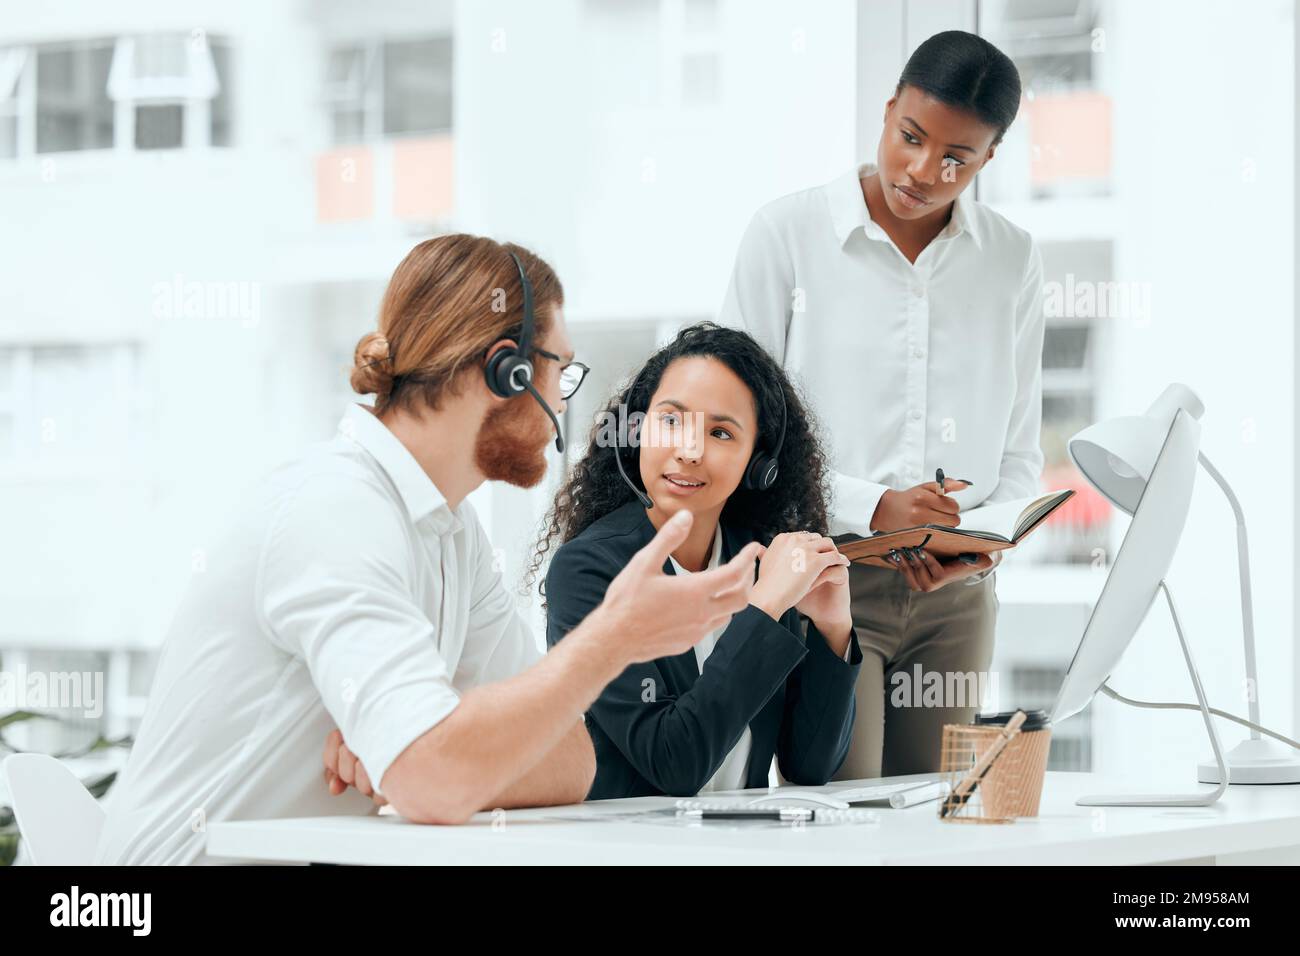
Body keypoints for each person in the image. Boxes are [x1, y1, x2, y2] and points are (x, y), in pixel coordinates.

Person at [95, 234, 761, 864]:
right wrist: (611, 640)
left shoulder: (449, 532)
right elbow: (435, 775)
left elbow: (570, 756)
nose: (563, 401)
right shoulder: (336, 510)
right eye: (562, 370)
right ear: (506, 369)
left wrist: (432, 753)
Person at [719, 31, 1045, 778]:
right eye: (911, 137)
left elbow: (1019, 450)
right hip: (828, 578)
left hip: (958, 600)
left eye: (958, 158)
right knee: (849, 812)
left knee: (939, 817)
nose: (925, 171)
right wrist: (876, 507)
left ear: (990, 159)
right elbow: (738, 434)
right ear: (889, 107)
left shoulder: (1012, 259)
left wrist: (984, 546)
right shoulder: (788, 235)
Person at [534, 322, 861, 798]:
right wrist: (763, 609)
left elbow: (809, 766)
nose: (689, 451)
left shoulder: (760, 557)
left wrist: (834, 629)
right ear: (639, 427)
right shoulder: (588, 570)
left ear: (759, 462)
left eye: (721, 432)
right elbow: (674, 762)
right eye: (671, 421)